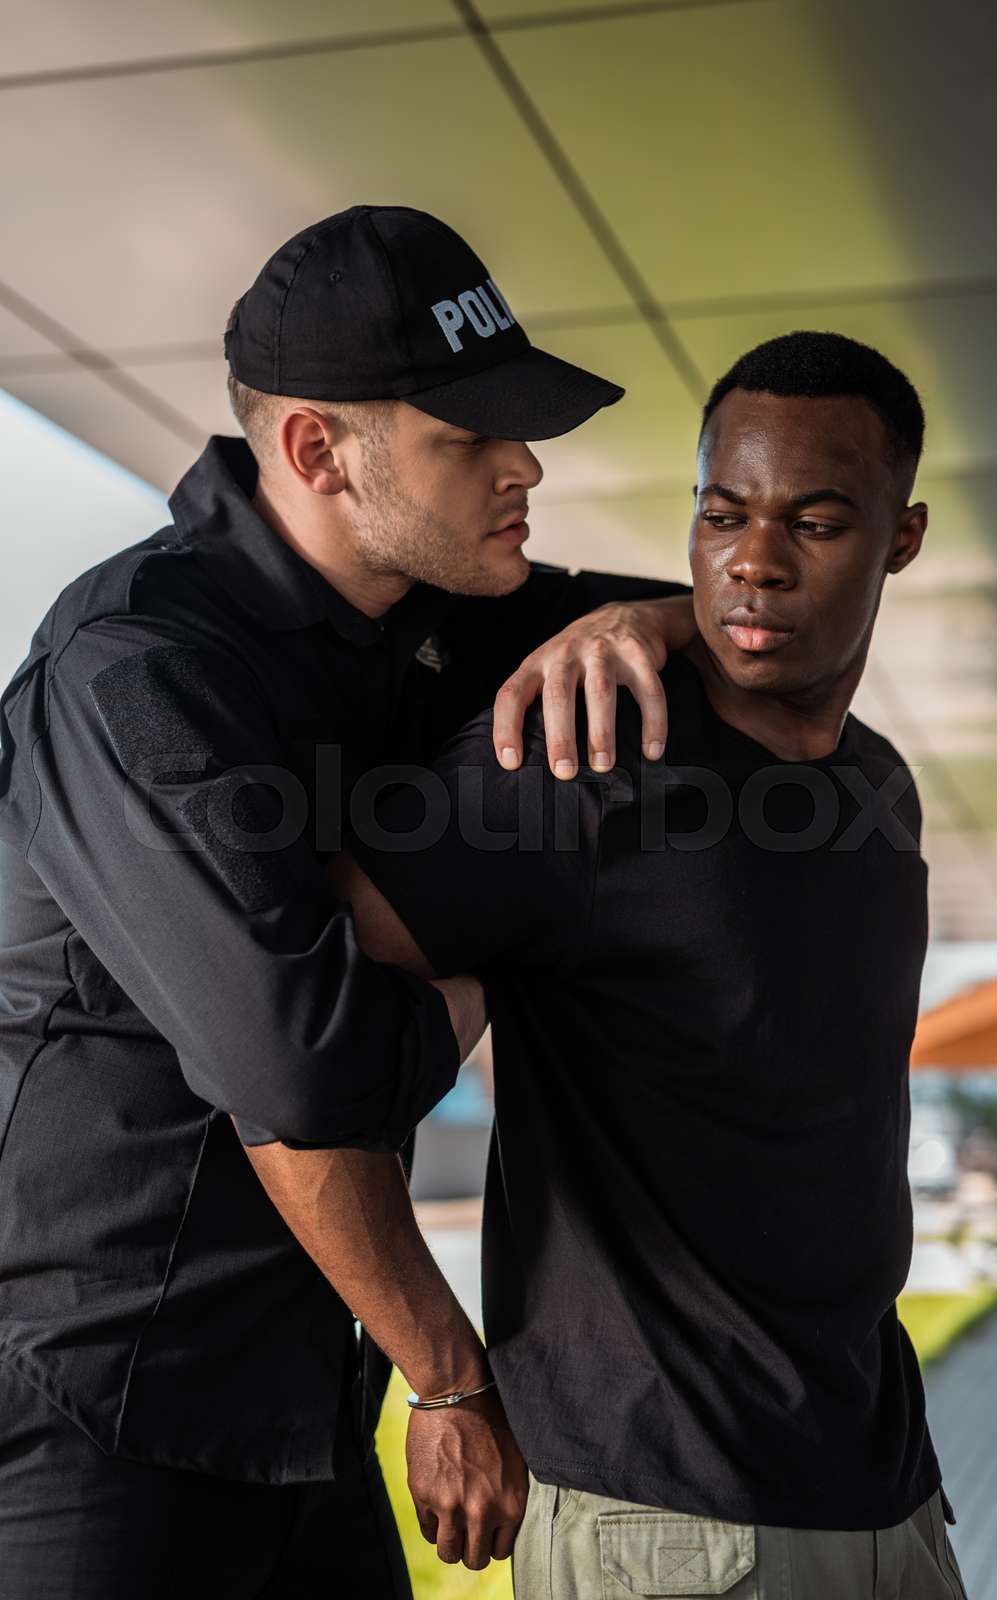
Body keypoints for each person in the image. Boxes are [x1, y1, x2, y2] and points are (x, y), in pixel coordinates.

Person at [0, 204, 697, 1598]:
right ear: (318, 451)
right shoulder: (138, 665)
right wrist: (486, 973)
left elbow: (726, 619)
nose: (526, 465)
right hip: (92, 1415)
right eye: (468, 439)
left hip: (303, 1400)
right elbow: (307, 1070)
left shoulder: (426, 603)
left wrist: (644, 622)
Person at [338, 331, 971, 1598]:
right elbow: (292, 1025)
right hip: (662, 1517)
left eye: (817, 522)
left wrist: (655, 613)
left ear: (900, 539)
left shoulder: (879, 789)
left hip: (888, 1488)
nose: (754, 558)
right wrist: (441, 1371)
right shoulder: (576, 759)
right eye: (722, 512)